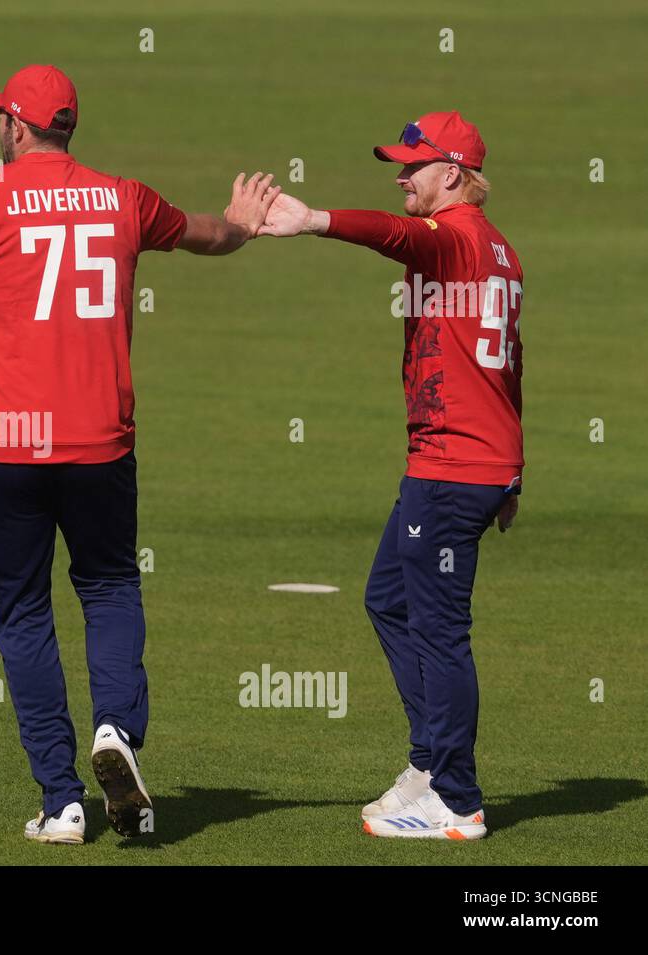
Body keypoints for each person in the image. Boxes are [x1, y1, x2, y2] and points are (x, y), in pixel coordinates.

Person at [0, 65, 278, 843]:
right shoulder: (124, 197)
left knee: (22, 609)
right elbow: (206, 235)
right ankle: (115, 731)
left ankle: (60, 800)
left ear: (13, 125)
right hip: (99, 439)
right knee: (107, 588)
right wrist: (240, 223)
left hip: (2, 443)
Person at [259, 111, 523, 840]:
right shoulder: (501, 251)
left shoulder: (455, 240)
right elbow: (513, 364)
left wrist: (311, 218)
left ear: (453, 174)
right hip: (472, 463)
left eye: (414, 164)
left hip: (451, 465)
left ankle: (458, 798)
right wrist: (515, 472)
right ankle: (429, 764)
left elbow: (397, 235)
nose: (401, 175)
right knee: (388, 599)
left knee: (439, 627)